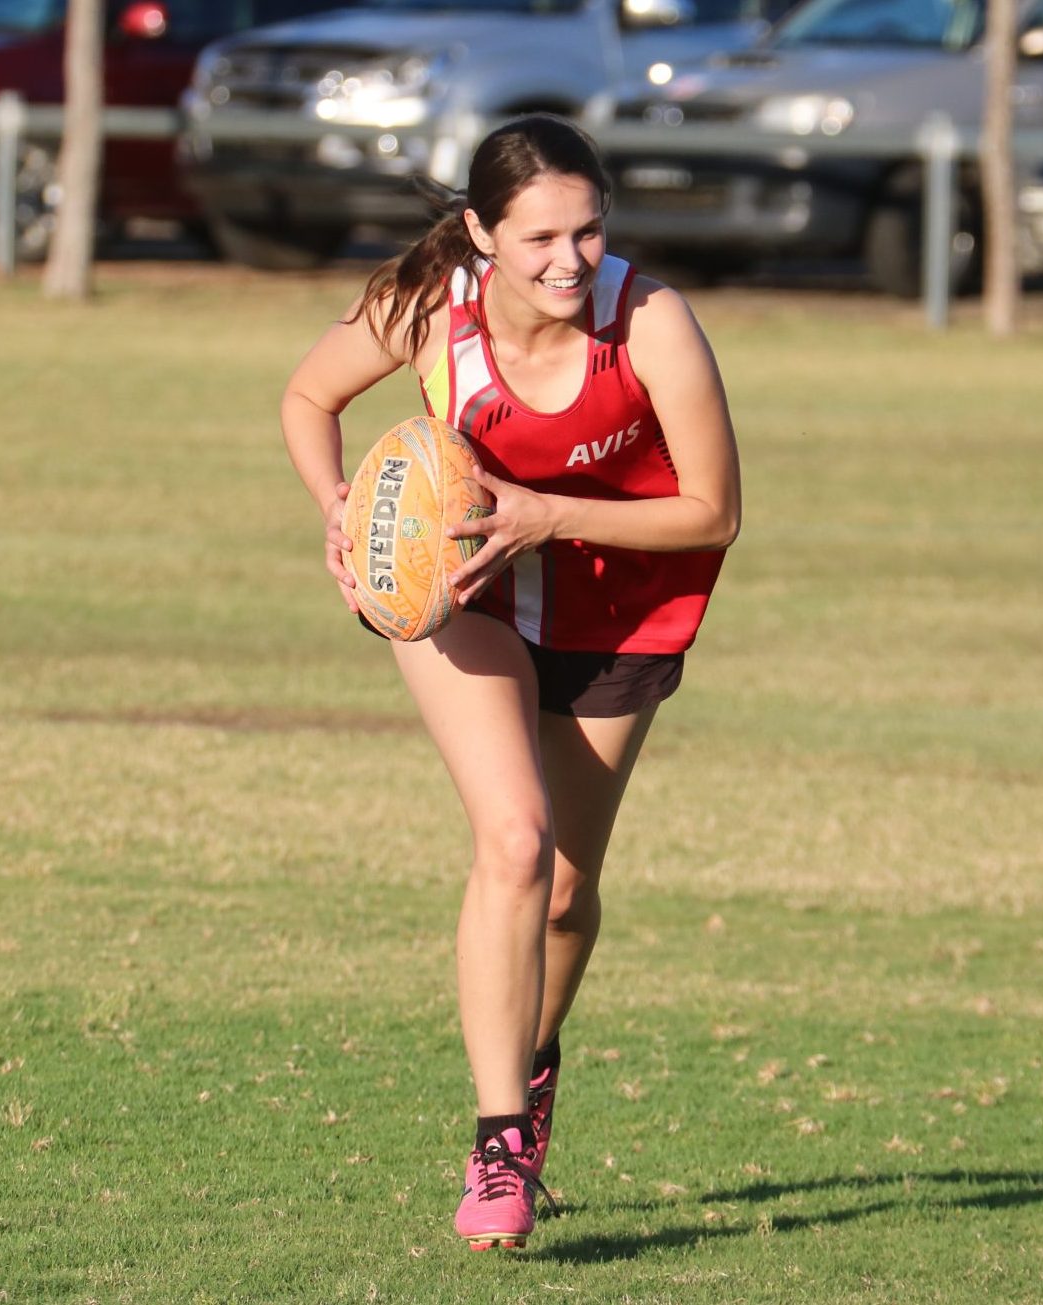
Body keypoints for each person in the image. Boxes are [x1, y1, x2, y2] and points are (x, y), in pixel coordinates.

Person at [278, 114, 741, 1252]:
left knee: (569, 894)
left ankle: (531, 1067)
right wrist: (343, 510)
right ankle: (499, 1147)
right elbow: (307, 399)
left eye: (588, 231)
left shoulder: (652, 322)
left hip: (621, 610)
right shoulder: (430, 307)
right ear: (482, 233)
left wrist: (546, 516)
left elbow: (714, 513)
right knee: (516, 843)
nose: (569, 260)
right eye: (539, 237)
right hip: (467, 599)